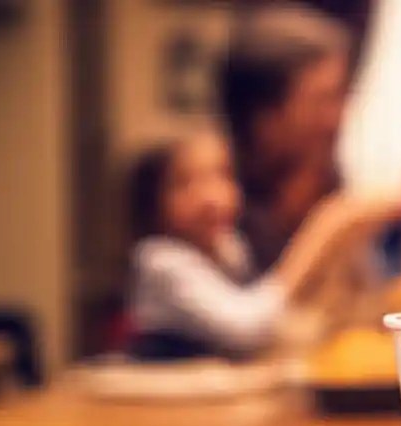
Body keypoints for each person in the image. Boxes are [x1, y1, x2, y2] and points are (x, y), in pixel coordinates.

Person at [219, 2, 401, 332]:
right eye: (322, 100)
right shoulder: (212, 203)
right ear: (264, 118)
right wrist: (329, 228)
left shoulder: (327, 181)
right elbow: (236, 330)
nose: (338, 118)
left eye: (342, 98)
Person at [126, 132, 384, 360]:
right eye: (184, 183)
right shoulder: (159, 260)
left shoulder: (230, 248)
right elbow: (245, 328)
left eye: (221, 175)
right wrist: (320, 233)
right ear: (153, 201)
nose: (210, 197)